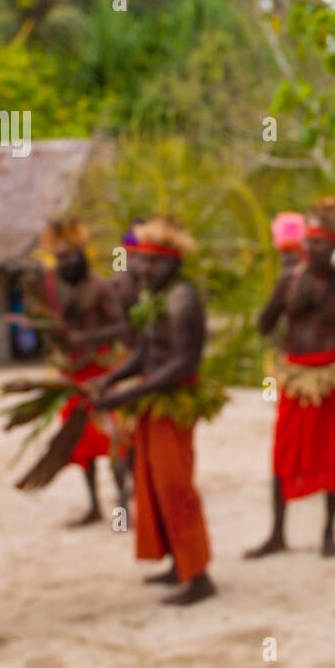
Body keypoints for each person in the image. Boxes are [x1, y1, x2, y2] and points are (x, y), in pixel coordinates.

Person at [90, 217, 219, 605]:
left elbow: (181, 364)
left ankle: (199, 576)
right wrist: (110, 379)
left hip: (173, 402)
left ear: (174, 264)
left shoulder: (182, 299)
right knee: (151, 483)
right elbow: (146, 353)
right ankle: (179, 563)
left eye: (154, 263)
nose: (143, 269)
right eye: (141, 261)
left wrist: (123, 397)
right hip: (152, 400)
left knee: (174, 486)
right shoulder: (154, 297)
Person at [245, 197, 335, 559]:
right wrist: (283, 309)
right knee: (282, 456)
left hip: (331, 381)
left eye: (322, 242)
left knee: (331, 455)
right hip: (296, 379)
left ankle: (329, 534)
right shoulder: (289, 280)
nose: (314, 248)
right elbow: (263, 324)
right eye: (310, 241)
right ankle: (277, 533)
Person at [41, 218, 131, 526]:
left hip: (101, 375)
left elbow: (121, 326)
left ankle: (123, 508)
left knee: (115, 441)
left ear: (82, 254)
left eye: (68, 256)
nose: (63, 263)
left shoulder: (101, 287)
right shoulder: (58, 293)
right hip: (72, 377)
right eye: (59, 257)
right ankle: (94, 507)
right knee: (82, 445)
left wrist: (86, 339)